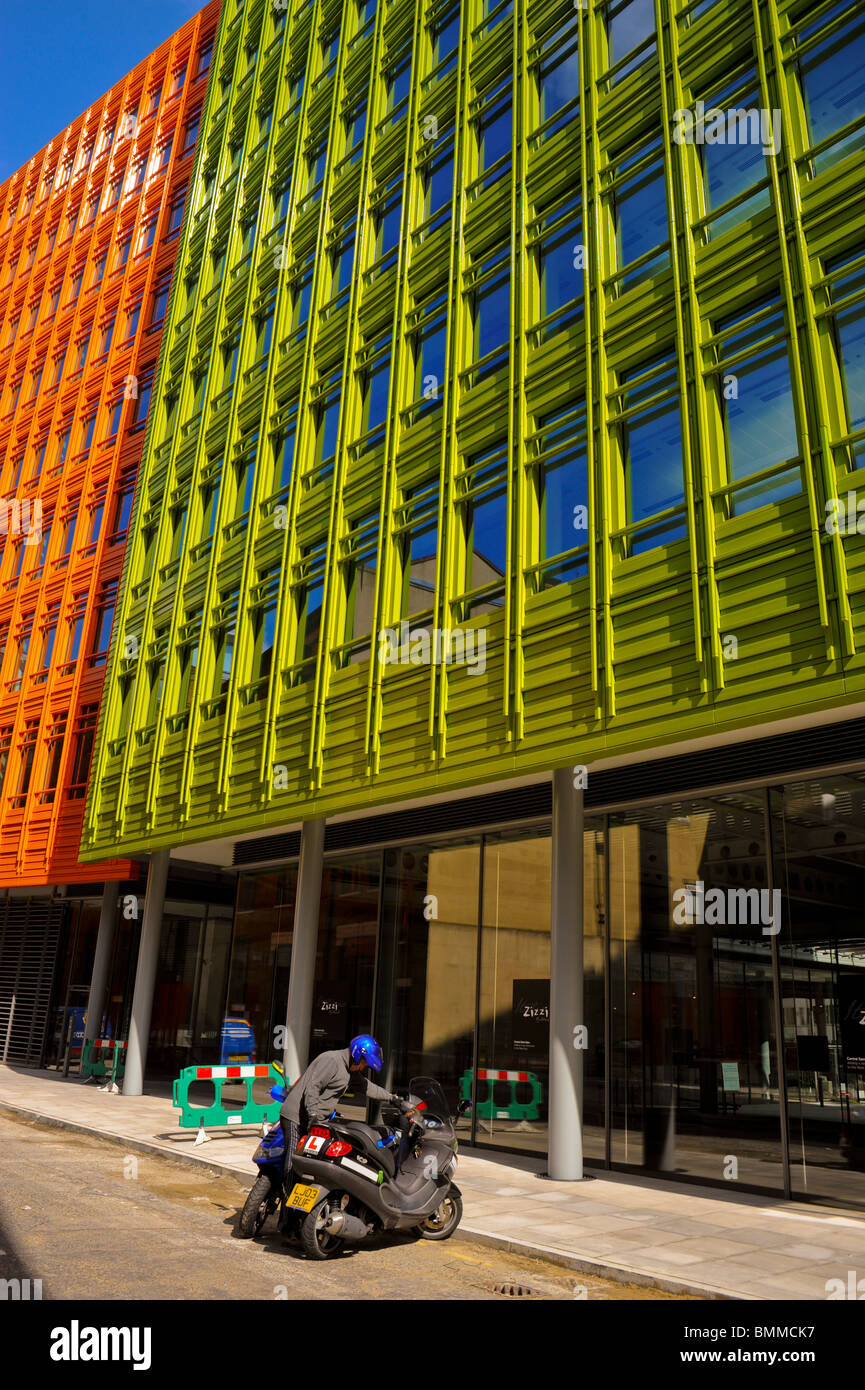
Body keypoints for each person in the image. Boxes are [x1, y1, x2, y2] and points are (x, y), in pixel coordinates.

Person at [279, 1034, 412, 1162]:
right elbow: (313, 1088)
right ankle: (286, 1185)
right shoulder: (332, 1060)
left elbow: (368, 1087)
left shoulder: (350, 1072)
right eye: (364, 1063)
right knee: (293, 1161)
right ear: (357, 1056)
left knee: (311, 1161)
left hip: (315, 1121)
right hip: (296, 1117)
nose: (364, 1067)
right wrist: (312, 1114)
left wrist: (392, 1098)